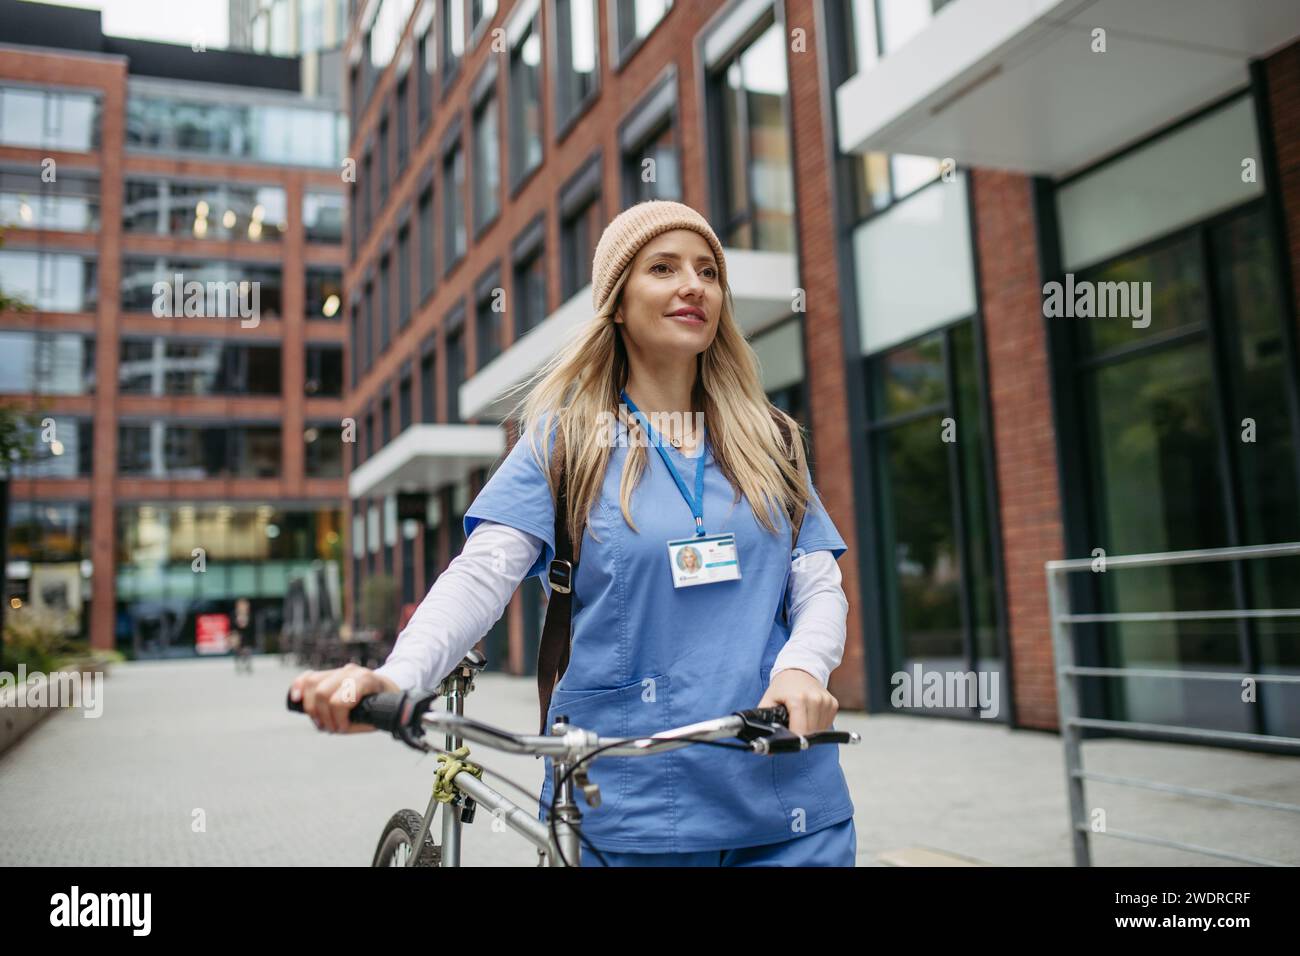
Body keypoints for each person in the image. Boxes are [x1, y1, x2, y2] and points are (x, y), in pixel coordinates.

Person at [290, 200, 857, 867]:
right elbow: (481, 575)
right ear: (617, 302)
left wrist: (800, 669)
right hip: (631, 805)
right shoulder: (564, 445)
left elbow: (819, 582)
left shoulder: (772, 440)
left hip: (785, 792)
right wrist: (397, 678)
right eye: (663, 268)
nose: (693, 285)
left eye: (708, 270)